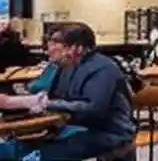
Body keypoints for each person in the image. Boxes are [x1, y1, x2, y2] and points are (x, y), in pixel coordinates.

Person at [0, 23, 136, 160]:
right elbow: (53, 97)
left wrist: (41, 104)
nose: (50, 50)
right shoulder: (65, 67)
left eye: (57, 44)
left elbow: (92, 110)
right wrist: (18, 103)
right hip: (71, 128)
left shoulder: (103, 68)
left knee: (36, 156)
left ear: (77, 48)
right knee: (10, 150)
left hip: (107, 133)